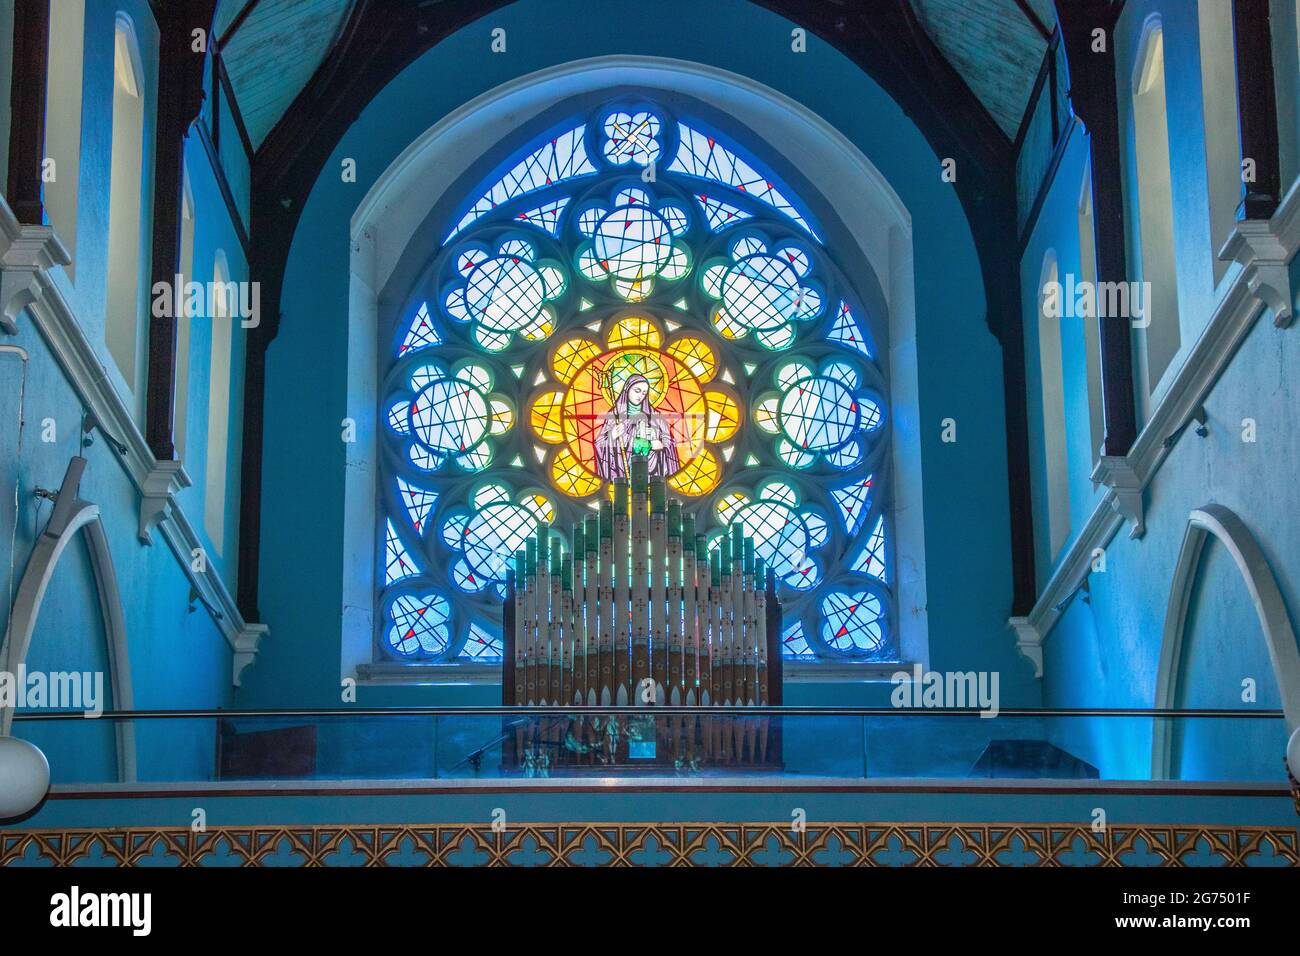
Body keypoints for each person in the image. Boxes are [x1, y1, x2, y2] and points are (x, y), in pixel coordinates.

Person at [593, 374, 681, 479]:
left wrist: (660, 445)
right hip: (621, 475)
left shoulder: (656, 416)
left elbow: (669, 442)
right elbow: (599, 443)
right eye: (637, 391)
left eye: (644, 393)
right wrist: (612, 436)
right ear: (627, 389)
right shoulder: (614, 416)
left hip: (653, 477)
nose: (640, 396)